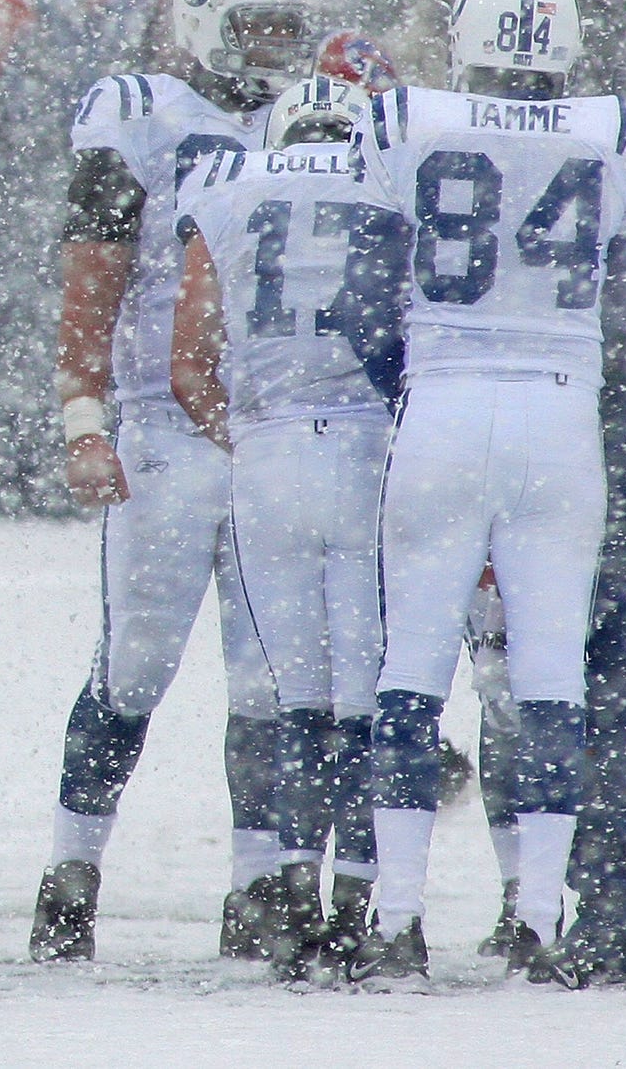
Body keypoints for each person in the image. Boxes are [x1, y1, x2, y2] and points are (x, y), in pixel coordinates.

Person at [343, 0, 626, 987]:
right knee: (549, 681)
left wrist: (413, 382)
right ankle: (538, 919)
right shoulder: (618, 130)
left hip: (444, 400)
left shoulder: (405, 119)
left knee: (409, 673)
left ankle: (397, 920)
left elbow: (360, 296)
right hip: (559, 410)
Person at [32, 0, 308, 965]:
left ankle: (255, 889)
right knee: (133, 669)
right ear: (200, 24)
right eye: (253, 28)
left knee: (267, 680)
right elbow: (92, 270)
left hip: (275, 427)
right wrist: (83, 415)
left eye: (284, 28)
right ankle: (70, 876)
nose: (271, 49)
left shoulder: (309, 115)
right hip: (163, 423)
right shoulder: (138, 111)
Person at [168, 72, 389, 981]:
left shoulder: (228, 185)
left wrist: (254, 434)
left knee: (296, 698)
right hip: (372, 452)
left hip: (270, 454)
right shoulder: (386, 179)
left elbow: (188, 363)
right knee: (368, 700)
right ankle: (362, 903)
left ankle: (295, 894)